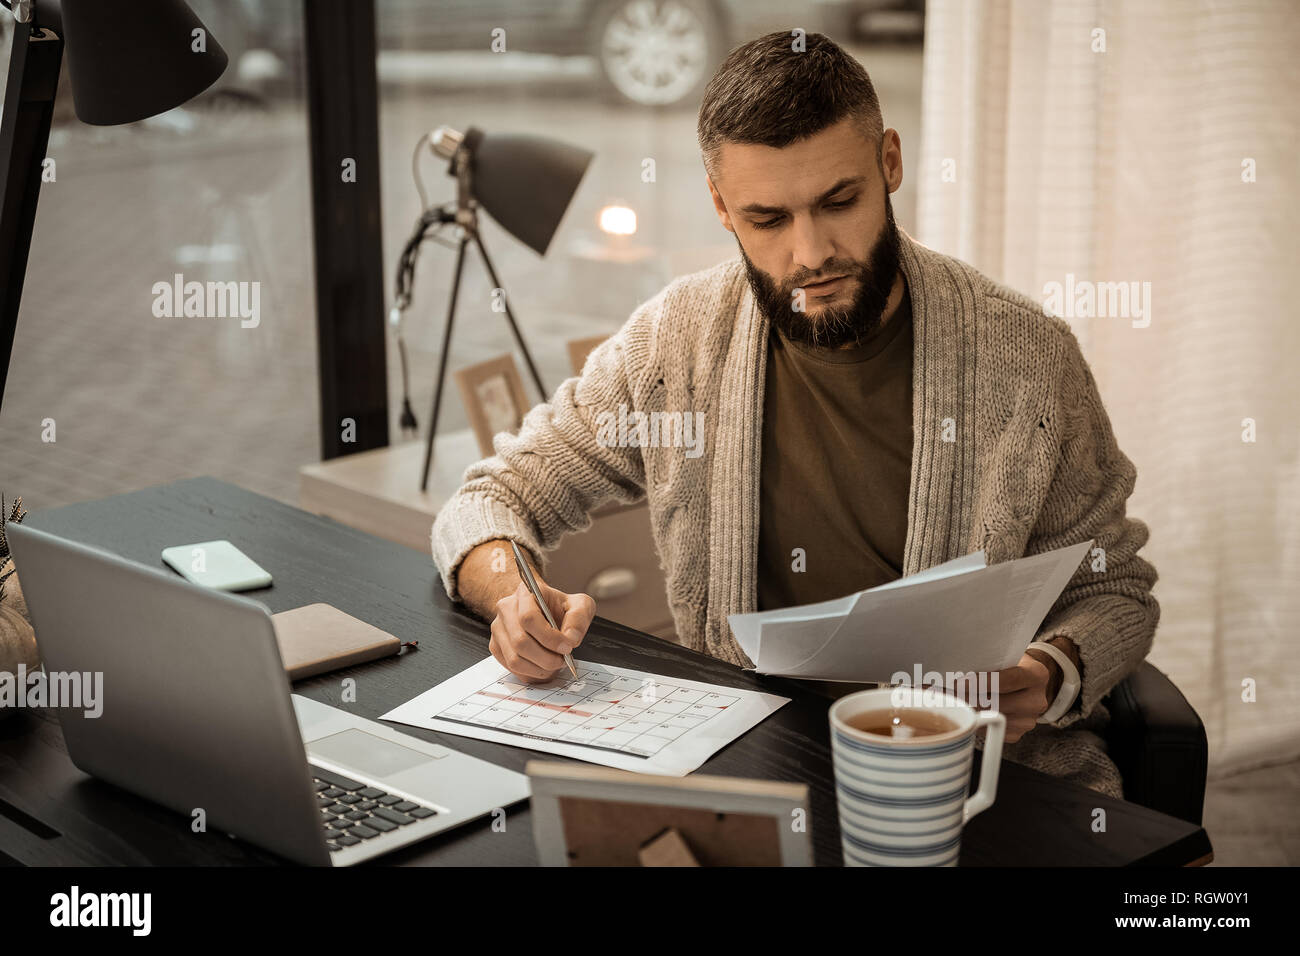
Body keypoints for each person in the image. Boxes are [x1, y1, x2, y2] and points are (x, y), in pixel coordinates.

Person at [431, 31, 1159, 799]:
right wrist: (513, 595)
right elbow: (491, 499)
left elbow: (1114, 587)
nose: (810, 253)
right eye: (768, 219)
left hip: (983, 782)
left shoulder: (1029, 359)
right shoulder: (676, 343)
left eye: (838, 202)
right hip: (753, 770)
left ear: (890, 163)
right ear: (721, 206)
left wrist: (1051, 670)